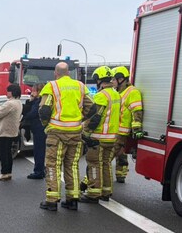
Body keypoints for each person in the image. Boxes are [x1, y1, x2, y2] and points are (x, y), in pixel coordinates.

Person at [38, 62, 101, 211]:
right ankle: (72, 199)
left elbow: (45, 109)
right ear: (69, 72)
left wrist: (46, 125)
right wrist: (80, 119)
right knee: (72, 165)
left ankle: (52, 200)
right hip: (75, 132)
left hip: (56, 133)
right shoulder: (79, 86)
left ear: (56, 73)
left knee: (53, 165)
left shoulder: (52, 86)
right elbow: (92, 107)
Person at [79, 67, 121, 203]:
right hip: (112, 137)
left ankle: (93, 193)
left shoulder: (101, 96)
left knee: (94, 164)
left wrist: (86, 133)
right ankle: (106, 192)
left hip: (99, 137)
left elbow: (95, 117)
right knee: (106, 164)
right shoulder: (116, 94)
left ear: (99, 80)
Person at [112, 66, 144, 183]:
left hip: (122, 130)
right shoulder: (118, 92)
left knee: (105, 158)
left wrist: (136, 128)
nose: (112, 82)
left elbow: (137, 111)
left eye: (114, 79)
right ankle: (121, 175)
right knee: (120, 153)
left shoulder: (132, 92)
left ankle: (90, 183)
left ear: (121, 79)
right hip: (116, 129)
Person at [0, 83, 22, 181]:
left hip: (4, 131)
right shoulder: (18, 102)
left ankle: (4, 173)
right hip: (12, 131)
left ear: (12, 92)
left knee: (4, 153)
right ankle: (8, 172)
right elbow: (5, 112)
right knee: (8, 153)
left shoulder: (9, 103)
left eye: (8, 91)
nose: (7, 93)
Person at [22, 85, 46, 179]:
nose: (32, 93)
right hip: (39, 128)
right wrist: (30, 100)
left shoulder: (39, 101)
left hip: (39, 128)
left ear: (39, 91)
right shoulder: (37, 101)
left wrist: (26, 115)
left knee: (39, 150)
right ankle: (40, 169)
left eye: (33, 91)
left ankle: (39, 171)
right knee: (39, 150)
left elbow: (32, 113)